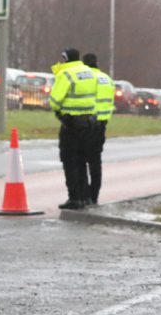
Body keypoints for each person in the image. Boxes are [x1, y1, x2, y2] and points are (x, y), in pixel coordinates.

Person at [48, 48, 99, 209]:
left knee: (69, 161)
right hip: (88, 123)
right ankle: (84, 197)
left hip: (71, 124)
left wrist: (60, 112)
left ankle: (74, 198)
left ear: (66, 59)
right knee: (82, 161)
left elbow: (55, 100)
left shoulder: (67, 74)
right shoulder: (89, 72)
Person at [82, 53, 115, 206]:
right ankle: (94, 195)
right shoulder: (106, 79)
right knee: (95, 162)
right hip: (101, 125)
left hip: (86, 124)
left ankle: (84, 194)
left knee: (81, 161)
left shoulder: (87, 78)